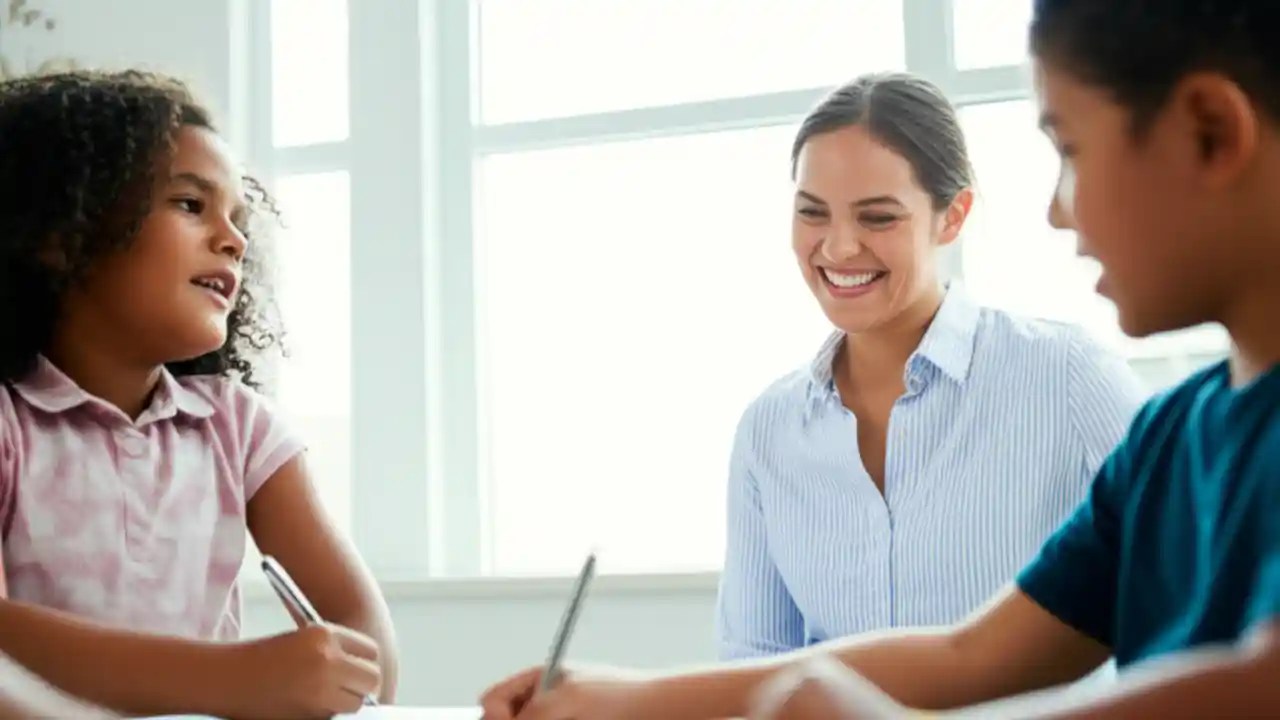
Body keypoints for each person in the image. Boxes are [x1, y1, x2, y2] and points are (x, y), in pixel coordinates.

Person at [477, 0, 1280, 717]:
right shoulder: (1171, 442)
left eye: (1070, 151)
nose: (1057, 209)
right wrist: (628, 701)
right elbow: (966, 655)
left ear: (1212, 131)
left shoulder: (1075, 381)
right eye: (814, 213)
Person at [0, 70, 397, 718]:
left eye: (239, 221)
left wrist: (338, 675)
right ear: (59, 234)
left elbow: (365, 634)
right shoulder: (8, 423)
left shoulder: (241, 430)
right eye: (191, 205)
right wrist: (233, 678)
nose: (234, 241)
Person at [716, 72, 1144, 662]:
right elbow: (755, 667)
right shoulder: (768, 430)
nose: (839, 247)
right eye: (813, 213)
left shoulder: (1069, 378)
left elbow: (1189, 606)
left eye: (877, 217)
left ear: (953, 215)